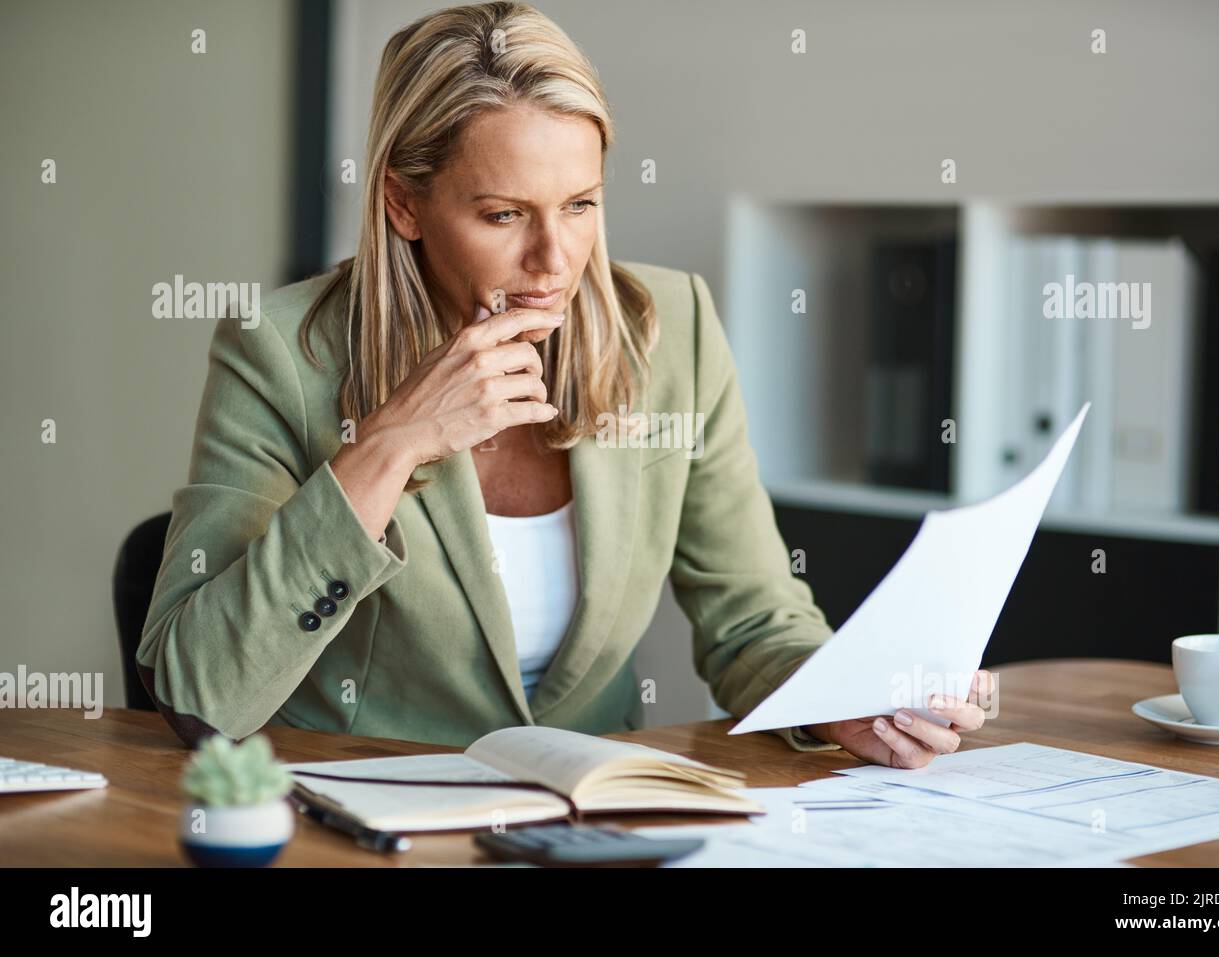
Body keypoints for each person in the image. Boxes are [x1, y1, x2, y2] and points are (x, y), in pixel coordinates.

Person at [137, 1, 987, 767]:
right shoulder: (280, 352)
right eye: (504, 215)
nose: (555, 262)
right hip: (363, 823)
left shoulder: (674, 330)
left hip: (592, 822)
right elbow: (200, 692)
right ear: (402, 203)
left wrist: (846, 699)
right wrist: (392, 442)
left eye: (579, 205)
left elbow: (754, 622)